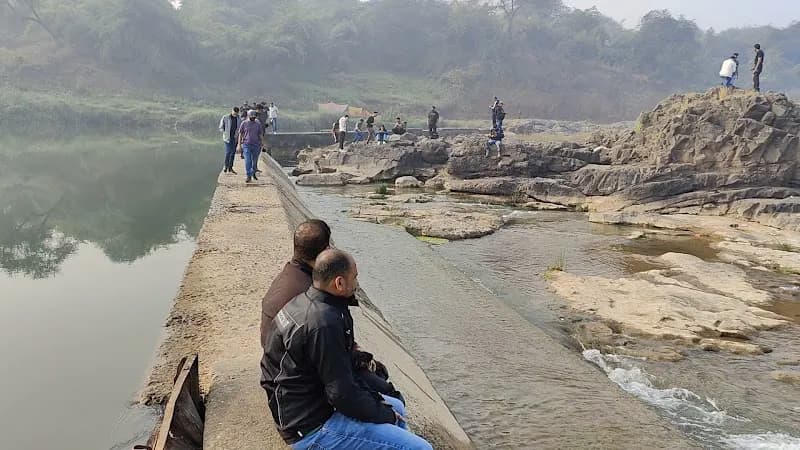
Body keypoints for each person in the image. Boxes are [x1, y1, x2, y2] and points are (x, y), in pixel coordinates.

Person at [261, 249, 432, 450]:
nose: (357, 283)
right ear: (339, 283)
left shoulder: (306, 302)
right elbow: (341, 394)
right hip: (310, 426)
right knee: (420, 447)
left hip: (302, 403)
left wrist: (381, 405)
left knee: (397, 407)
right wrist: (384, 414)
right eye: (355, 277)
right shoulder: (324, 323)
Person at [237, 109, 264, 183]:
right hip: (246, 144)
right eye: (251, 116)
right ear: (248, 116)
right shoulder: (244, 123)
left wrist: (262, 143)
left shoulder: (257, 124)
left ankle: (253, 172)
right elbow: (240, 134)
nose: (253, 118)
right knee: (247, 160)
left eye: (254, 116)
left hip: (256, 145)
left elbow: (260, 134)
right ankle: (249, 175)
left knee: (254, 161)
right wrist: (239, 145)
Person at [218, 107, 240, 174]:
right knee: (228, 152)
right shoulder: (225, 117)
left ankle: (230, 168)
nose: (235, 114)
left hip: (234, 138)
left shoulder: (239, 119)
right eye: (234, 113)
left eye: (236, 113)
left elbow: (239, 128)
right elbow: (220, 127)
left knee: (233, 152)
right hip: (227, 138)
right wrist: (225, 132)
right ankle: (226, 166)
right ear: (232, 111)